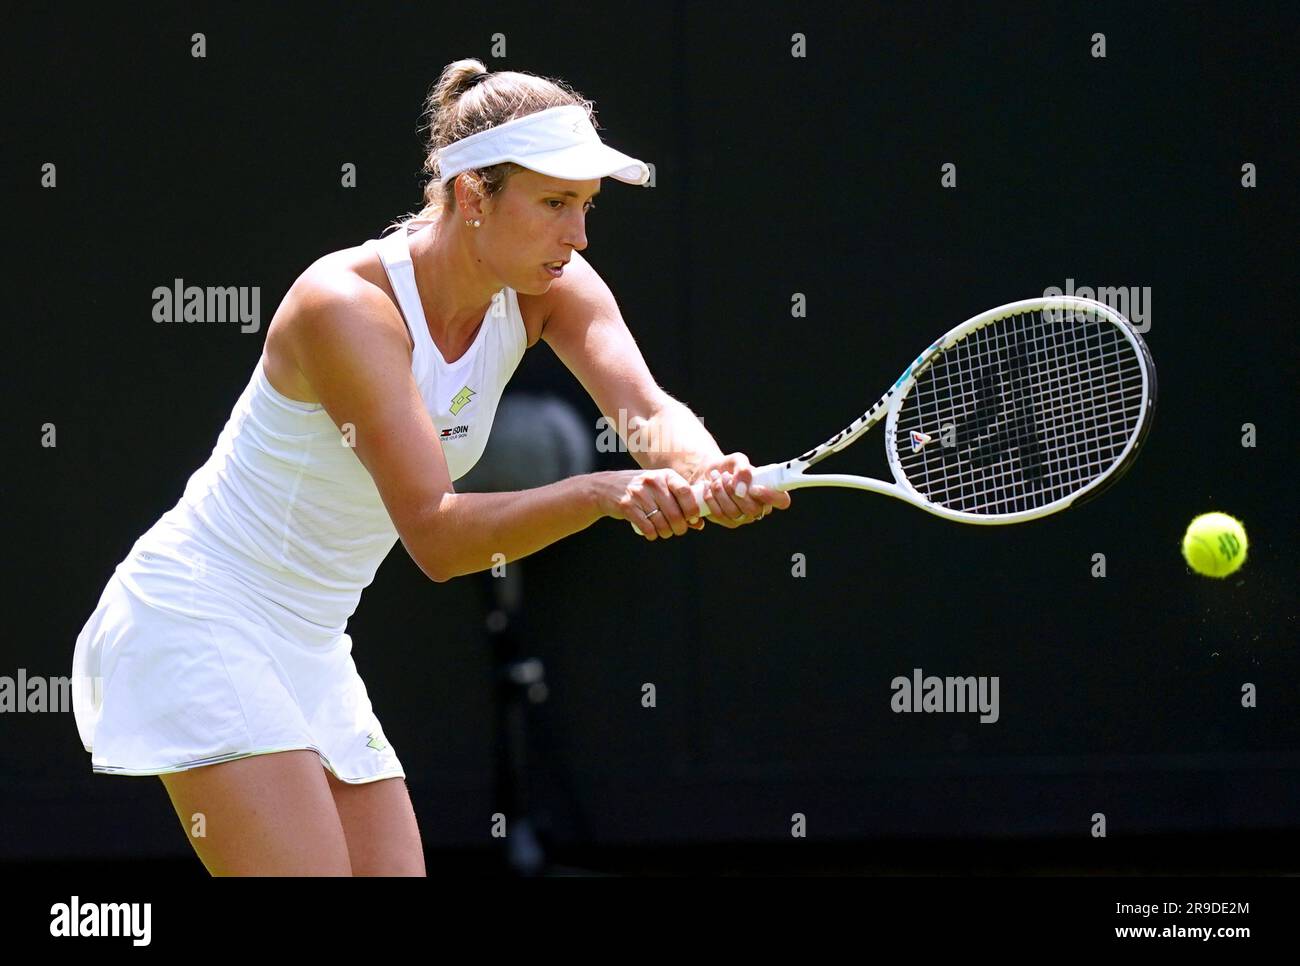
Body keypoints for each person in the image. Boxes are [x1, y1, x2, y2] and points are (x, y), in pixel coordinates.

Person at [70, 58, 791, 876]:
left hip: (309, 640)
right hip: (198, 617)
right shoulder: (345, 307)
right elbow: (440, 540)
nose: (579, 236)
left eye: (586, 207)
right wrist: (602, 492)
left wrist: (705, 469)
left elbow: (646, 411)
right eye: (556, 204)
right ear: (473, 196)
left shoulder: (553, 283)